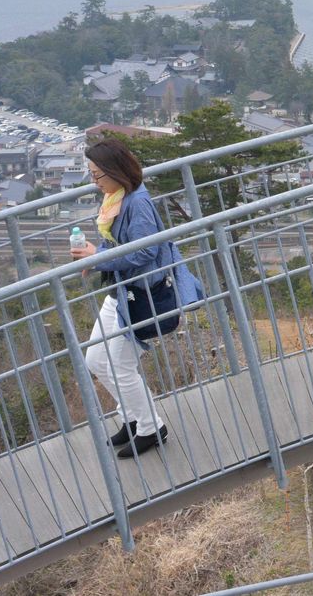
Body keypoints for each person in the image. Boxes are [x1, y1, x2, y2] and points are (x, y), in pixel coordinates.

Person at [68, 138, 203, 460]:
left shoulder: (136, 203)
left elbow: (145, 251)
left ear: (115, 171)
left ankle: (151, 429)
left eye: (97, 175)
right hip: (121, 290)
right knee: (95, 361)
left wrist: (99, 259)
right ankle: (132, 418)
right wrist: (96, 256)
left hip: (140, 294)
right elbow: (120, 244)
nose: (94, 181)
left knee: (120, 366)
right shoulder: (117, 197)